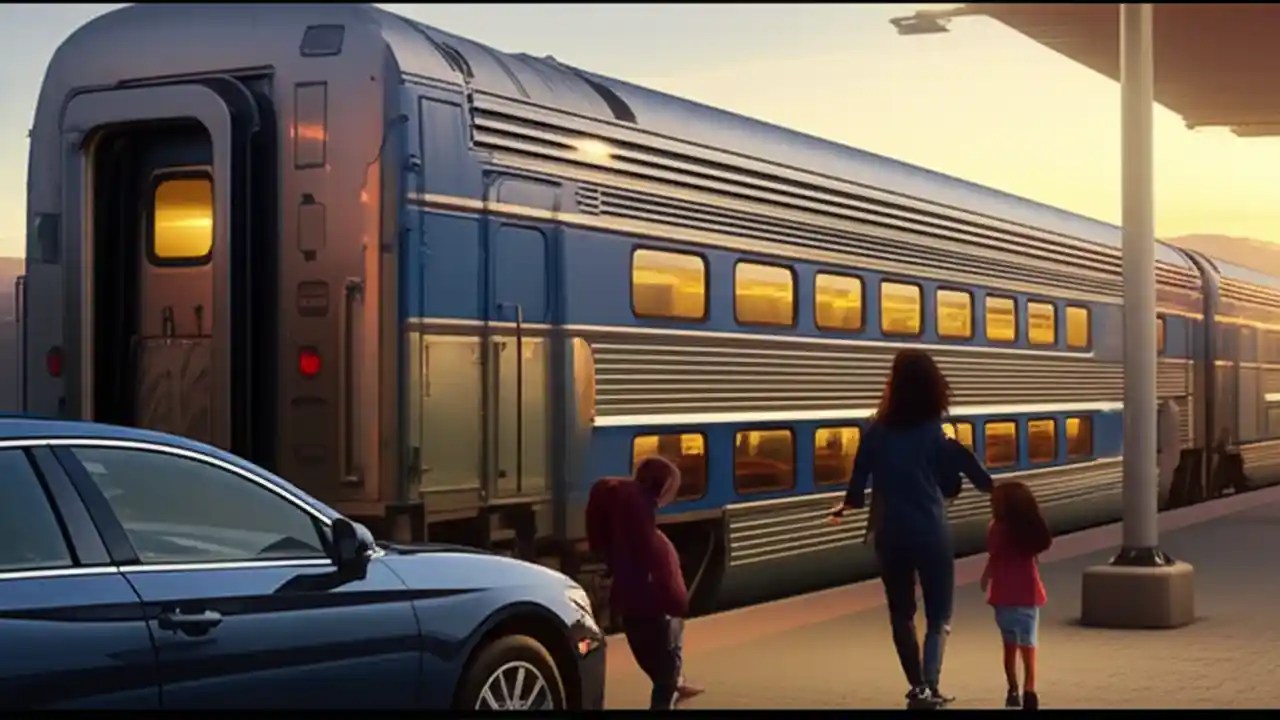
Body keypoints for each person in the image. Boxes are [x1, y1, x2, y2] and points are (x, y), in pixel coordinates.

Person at [828, 349, 994, 710]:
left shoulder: (873, 431)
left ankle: (916, 686)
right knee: (939, 615)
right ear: (934, 386)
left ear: (894, 383)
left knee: (901, 613)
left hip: (890, 535)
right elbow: (976, 481)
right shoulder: (936, 432)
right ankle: (930, 687)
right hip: (930, 532)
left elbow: (856, 490)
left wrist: (844, 508)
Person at [586, 457, 704, 709]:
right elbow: (650, 564)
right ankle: (674, 684)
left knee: (665, 666)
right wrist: (676, 601)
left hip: (633, 605)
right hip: (652, 607)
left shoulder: (623, 510)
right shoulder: (639, 516)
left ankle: (676, 681)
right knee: (664, 678)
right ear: (662, 485)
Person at [980, 481, 1052, 711]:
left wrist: (985, 578)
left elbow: (993, 555)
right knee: (1029, 644)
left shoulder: (996, 528)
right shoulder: (1029, 529)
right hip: (1028, 595)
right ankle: (1030, 689)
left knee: (1009, 645)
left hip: (1003, 596)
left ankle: (1012, 690)